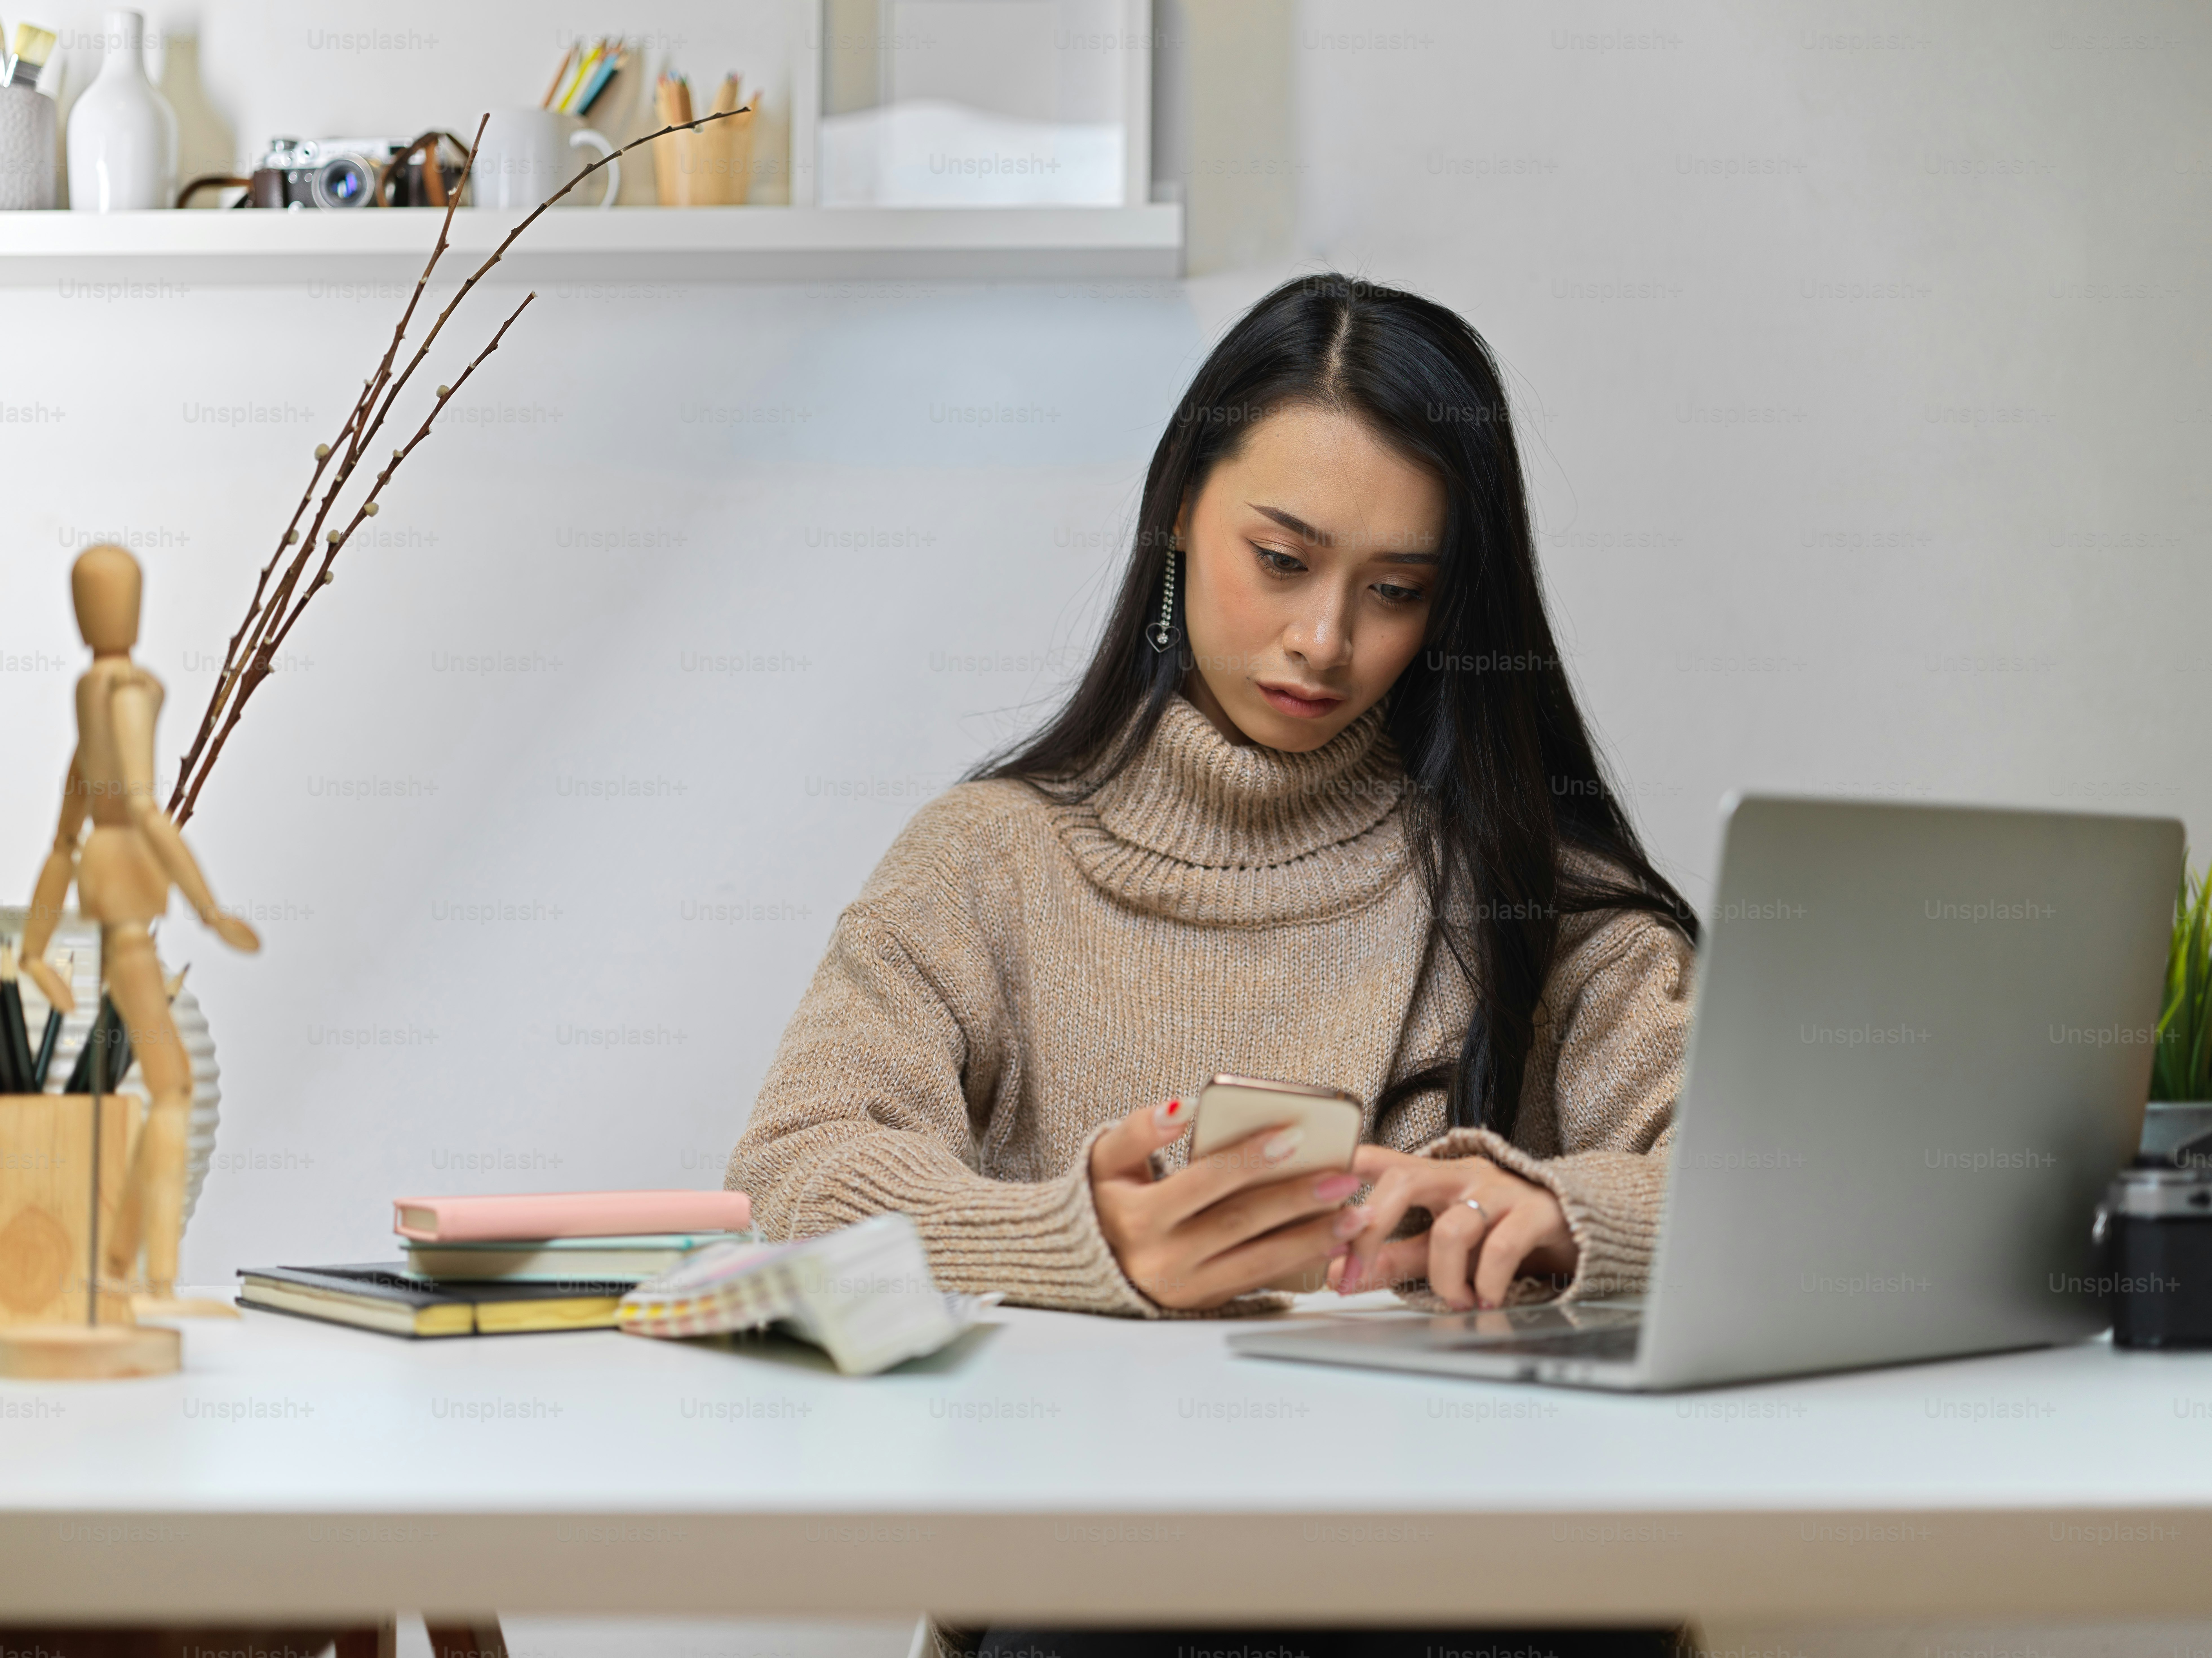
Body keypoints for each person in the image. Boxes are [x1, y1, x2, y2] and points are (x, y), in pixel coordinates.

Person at [734, 272, 1699, 1656]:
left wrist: (1563, 1210)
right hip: (1111, 1577)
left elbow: (1770, 1188)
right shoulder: (989, 862)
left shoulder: (1533, 884)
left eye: (1397, 591)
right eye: (1283, 560)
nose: (1325, 641)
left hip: (1467, 1575)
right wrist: (1082, 1242)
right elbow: (789, 1179)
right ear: (1181, 510)